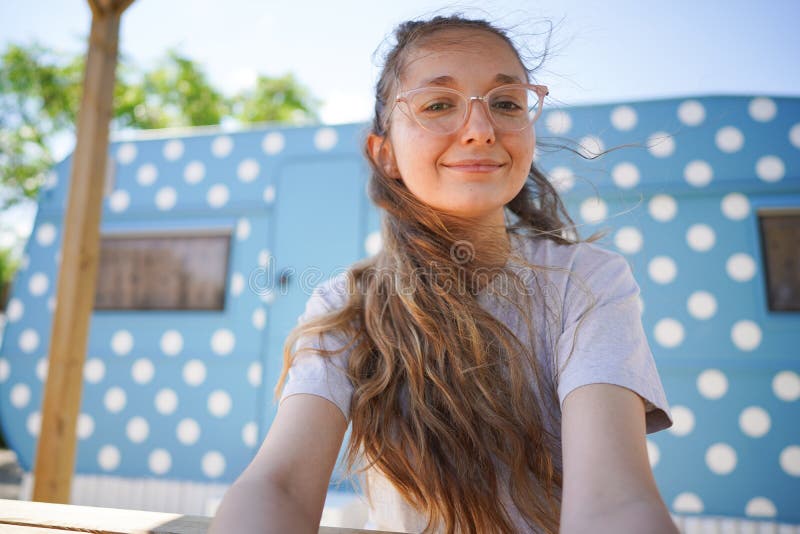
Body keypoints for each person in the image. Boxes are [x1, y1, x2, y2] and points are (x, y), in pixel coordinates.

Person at [210, 14, 677, 534]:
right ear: (384, 153)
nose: (480, 131)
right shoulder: (347, 303)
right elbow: (279, 485)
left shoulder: (586, 281)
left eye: (506, 103)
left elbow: (614, 502)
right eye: (437, 105)